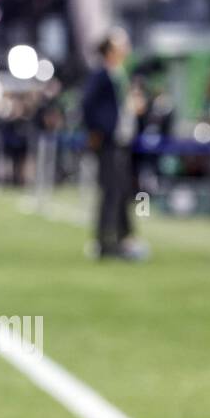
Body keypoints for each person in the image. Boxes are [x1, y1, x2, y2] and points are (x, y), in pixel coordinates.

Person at [80, 28, 145, 260]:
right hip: (108, 142)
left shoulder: (119, 73)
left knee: (121, 190)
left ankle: (122, 238)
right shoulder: (101, 74)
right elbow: (87, 104)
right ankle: (105, 241)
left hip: (121, 141)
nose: (126, 49)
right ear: (110, 50)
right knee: (111, 190)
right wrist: (97, 131)